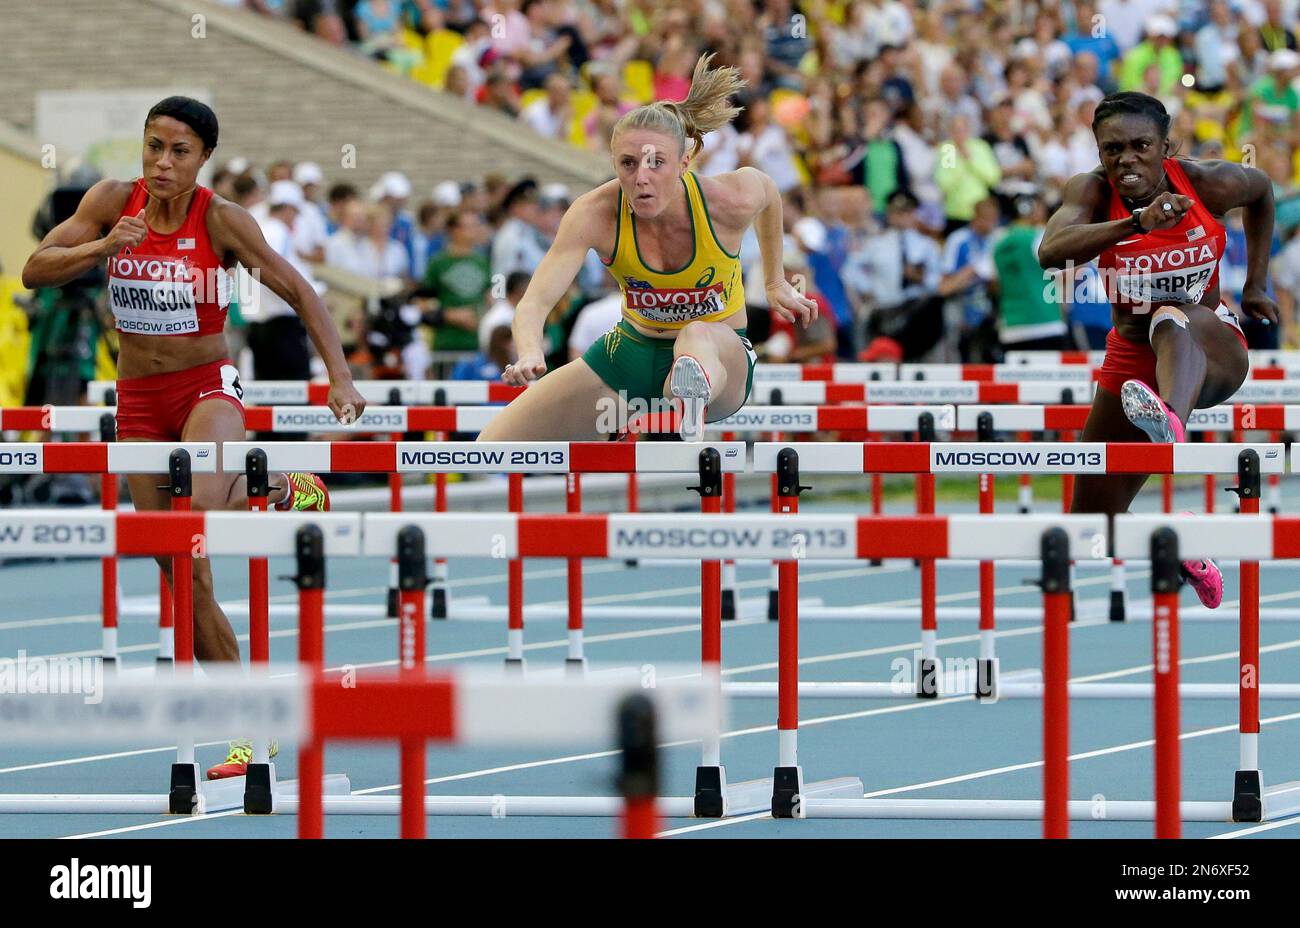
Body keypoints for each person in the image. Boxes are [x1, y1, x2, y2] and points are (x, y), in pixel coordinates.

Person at [21, 97, 366, 777]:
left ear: (203, 158)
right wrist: (99, 247)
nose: (161, 162)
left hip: (206, 388)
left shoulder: (223, 220)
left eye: (179, 151)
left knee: (197, 514)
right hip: (139, 400)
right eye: (153, 146)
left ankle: (279, 484)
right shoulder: (111, 201)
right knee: (183, 569)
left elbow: (301, 291)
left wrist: (342, 378)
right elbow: (34, 268)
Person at [478, 53, 815, 443]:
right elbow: (534, 302)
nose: (641, 178)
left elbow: (769, 194)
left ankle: (687, 399)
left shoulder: (726, 200)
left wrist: (774, 283)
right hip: (632, 352)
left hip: (720, 355)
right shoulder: (594, 213)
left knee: (694, 337)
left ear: (684, 162)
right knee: (491, 446)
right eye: (628, 164)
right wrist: (531, 352)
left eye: (657, 163)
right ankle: (667, 404)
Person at [1038, 91, 1280, 608]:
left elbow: (1262, 192)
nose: (1127, 159)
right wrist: (1135, 224)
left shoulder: (1206, 182)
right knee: (1090, 529)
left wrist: (1257, 283)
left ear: (1166, 147)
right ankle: (1180, 540)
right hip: (1132, 362)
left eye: (1141, 146)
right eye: (1113, 149)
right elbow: (1051, 252)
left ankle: (1171, 419)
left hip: (1210, 343)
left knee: (1169, 316)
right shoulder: (1090, 192)